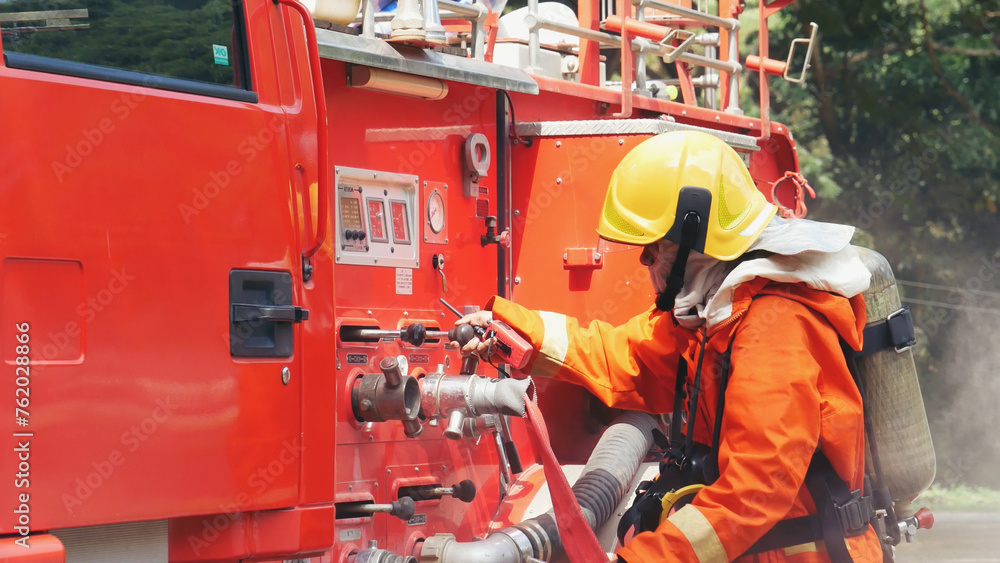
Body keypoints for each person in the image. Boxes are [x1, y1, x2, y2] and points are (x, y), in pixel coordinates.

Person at [457, 131, 884, 562]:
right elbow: (622, 358)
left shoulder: (774, 330)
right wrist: (512, 332)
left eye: (652, 251)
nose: (646, 263)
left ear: (693, 243)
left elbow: (757, 489)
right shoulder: (716, 319)